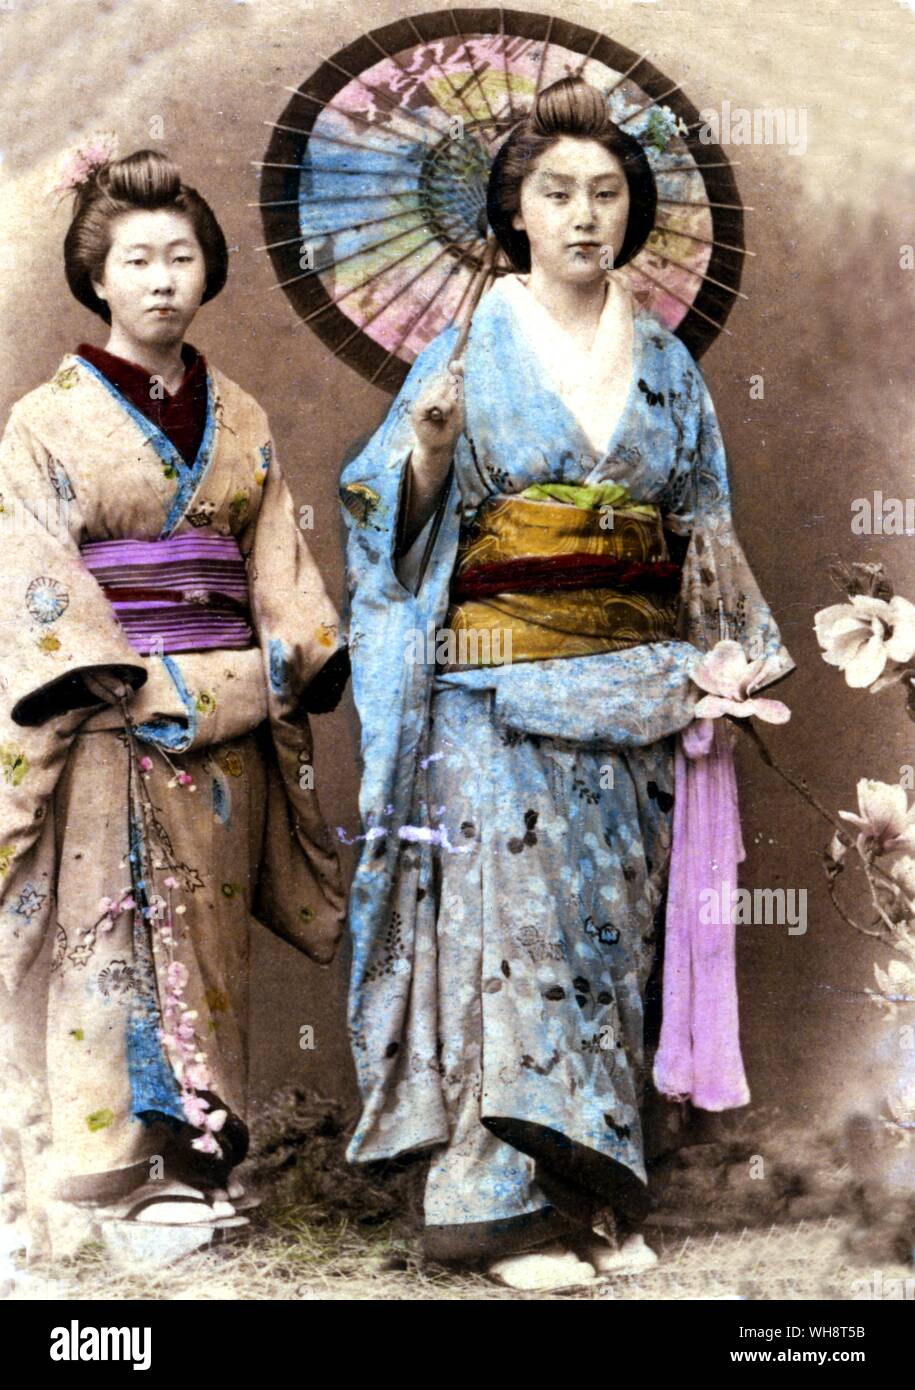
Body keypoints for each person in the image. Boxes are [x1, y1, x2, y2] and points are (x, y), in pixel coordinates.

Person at [338, 76, 794, 1291]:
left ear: (630, 211)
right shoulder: (463, 349)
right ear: (516, 214)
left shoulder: (671, 372)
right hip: (497, 687)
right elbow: (388, 531)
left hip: (639, 681)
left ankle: (595, 1191)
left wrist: (728, 660)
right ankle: (493, 1204)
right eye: (558, 193)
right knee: (512, 935)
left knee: (610, 935)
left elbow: (702, 521)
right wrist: (430, 455)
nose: (587, 214)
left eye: (607, 192)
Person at [0, 147, 349, 1239]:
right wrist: (127, 679)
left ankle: (199, 1166)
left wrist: (281, 662)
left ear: (209, 271)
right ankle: (112, 1170)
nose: (162, 279)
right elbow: (39, 576)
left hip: (229, 717)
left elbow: (279, 568)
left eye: (182, 256)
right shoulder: (45, 420)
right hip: (109, 711)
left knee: (208, 943)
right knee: (103, 933)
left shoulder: (240, 415)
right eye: (137, 259)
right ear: (95, 277)